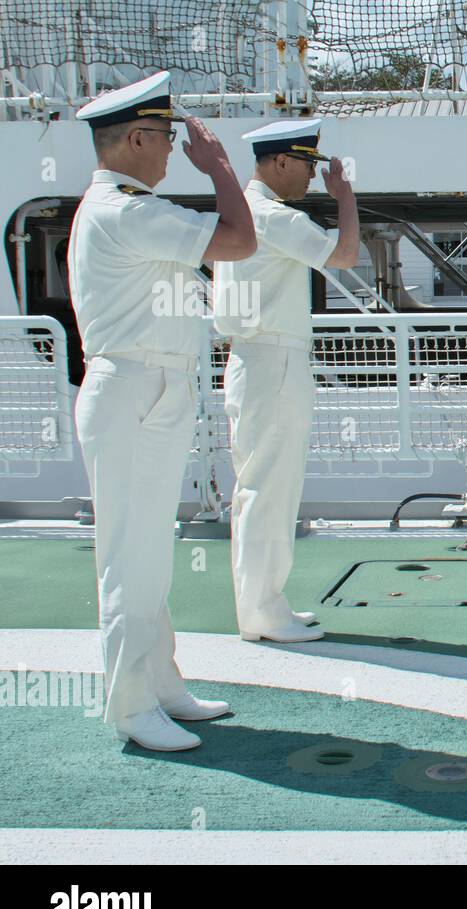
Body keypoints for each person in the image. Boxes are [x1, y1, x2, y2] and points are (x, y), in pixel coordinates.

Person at [68, 71, 256, 751]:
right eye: (169, 138)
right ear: (138, 137)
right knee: (129, 558)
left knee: (150, 552)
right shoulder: (127, 210)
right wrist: (223, 169)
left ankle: (161, 683)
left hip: (152, 392)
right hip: (134, 394)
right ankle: (129, 705)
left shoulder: (124, 206)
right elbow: (239, 237)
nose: (176, 150)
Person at [212, 119, 359, 643]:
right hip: (272, 361)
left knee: (267, 486)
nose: (312, 177)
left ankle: (266, 602)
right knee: (267, 489)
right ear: (280, 162)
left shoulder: (251, 211)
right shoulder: (272, 217)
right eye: (307, 166)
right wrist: (344, 198)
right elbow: (344, 255)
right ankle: (261, 612)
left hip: (261, 359)